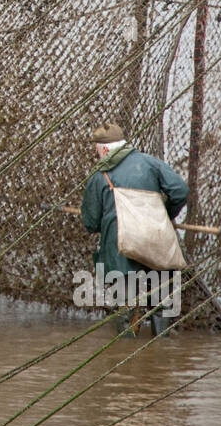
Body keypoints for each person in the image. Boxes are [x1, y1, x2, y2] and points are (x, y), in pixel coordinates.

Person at [80, 123, 189, 338]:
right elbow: (180, 191)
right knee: (162, 305)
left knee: (125, 311)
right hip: (157, 246)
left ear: (103, 149)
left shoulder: (99, 176)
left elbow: (91, 223)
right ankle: (161, 352)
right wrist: (166, 214)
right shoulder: (151, 163)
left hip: (121, 254)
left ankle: (127, 360)